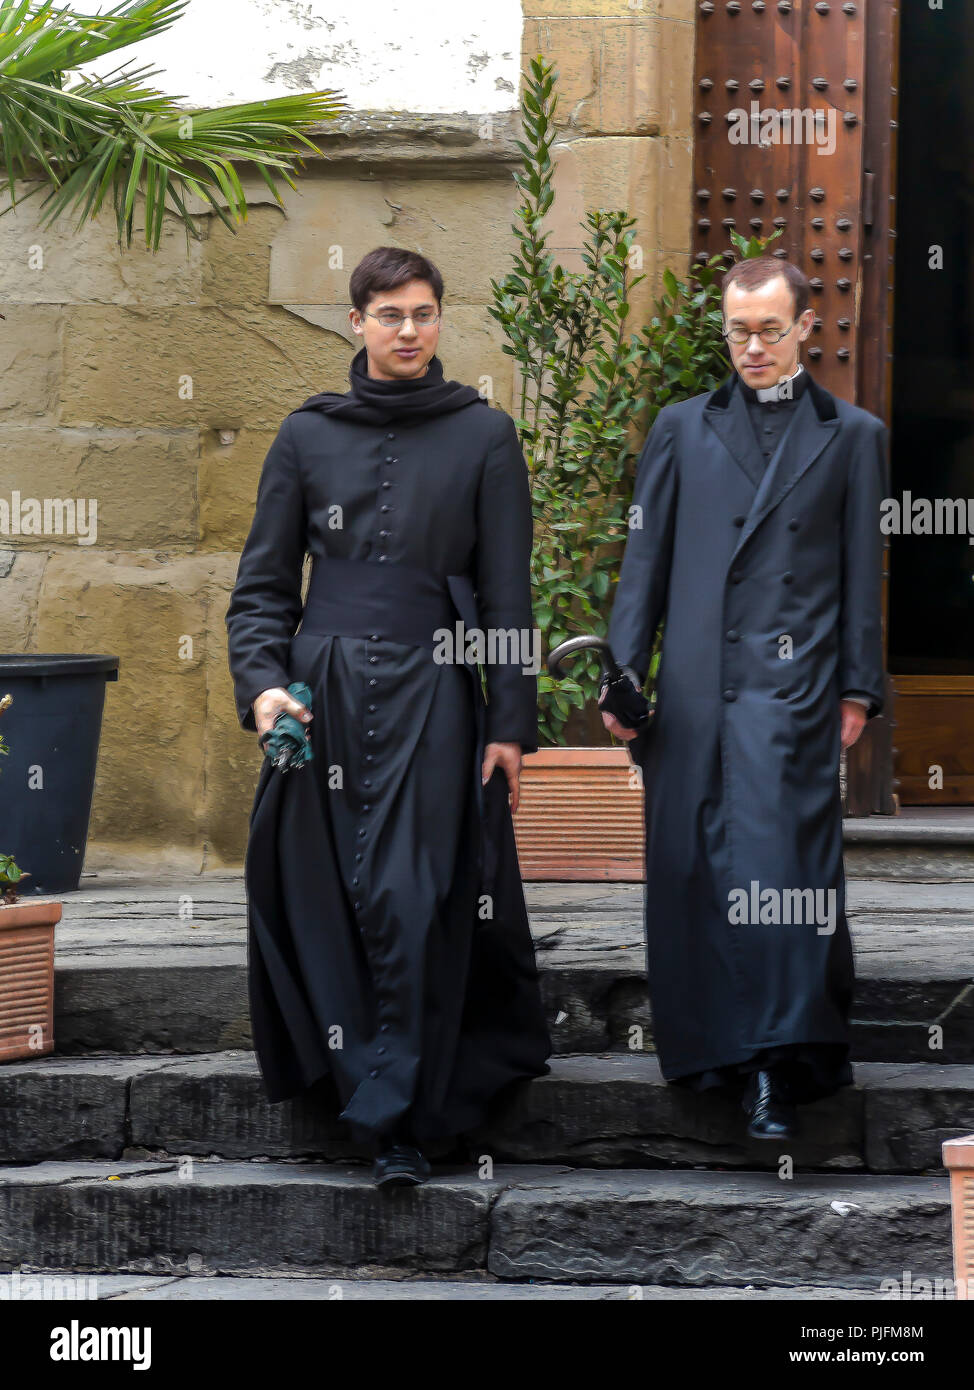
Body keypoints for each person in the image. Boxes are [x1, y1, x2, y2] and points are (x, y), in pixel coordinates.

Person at [225, 246, 551, 1186]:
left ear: (442, 320)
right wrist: (261, 685)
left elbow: (506, 599)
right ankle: (355, 1088)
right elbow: (261, 590)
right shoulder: (304, 436)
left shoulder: (485, 435)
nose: (410, 331)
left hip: (437, 695)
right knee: (324, 899)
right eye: (390, 314)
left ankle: (402, 1114)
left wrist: (507, 725)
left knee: (413, 899)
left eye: (425, 314)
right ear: (356, 323)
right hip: (318, 696)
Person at [601, 256, 887, 1140]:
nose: (752, 348)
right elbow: (644, 562)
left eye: (769, 330)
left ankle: (776, 1065)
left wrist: (857, 688)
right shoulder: (682, 428)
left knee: (781, 872)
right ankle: (707, 1053)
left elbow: (860, 577)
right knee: (691, 869)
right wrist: (623, 673)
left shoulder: (853, 435)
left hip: (791, 688)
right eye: (736, 332)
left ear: (807, 326)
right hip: (690, 688)